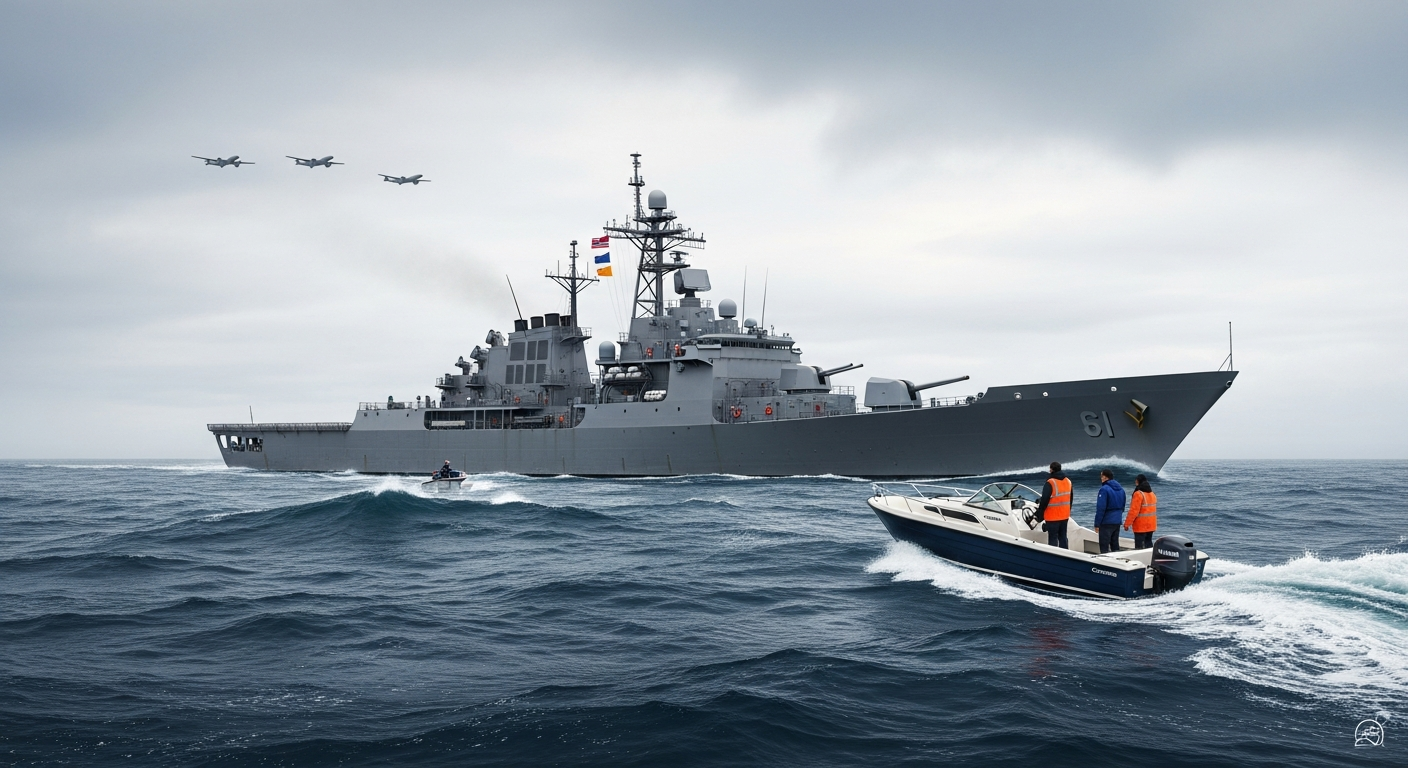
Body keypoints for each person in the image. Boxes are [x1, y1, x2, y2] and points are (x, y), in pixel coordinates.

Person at [1035, 461, 1072, 549]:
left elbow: (1044, 500)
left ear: (1051, 470)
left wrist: (1040, 514)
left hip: (1052, 516)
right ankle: (1065, 556)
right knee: (1063, 536)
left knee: (1053, 538)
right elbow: (1071, 499)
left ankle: (1054, 557)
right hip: (1064, 515)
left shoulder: (1050, 482)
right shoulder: (1068, 481)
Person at [1094, 469, 1126, 553]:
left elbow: (1101, 508)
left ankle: (1105, 564)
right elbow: (1123, 506)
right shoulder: (1121, 489)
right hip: (1117, 520)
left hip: (1106, 522)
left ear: (1105, 477)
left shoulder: (1104, 489)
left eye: (1101, 476)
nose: (1100, 478)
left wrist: (1097, 524)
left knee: (1104, 546)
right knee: (1115, 545)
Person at [1124, 473, 1158, 549]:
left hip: (1141, 526)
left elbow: (1133, 511)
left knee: (1139, 547)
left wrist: (1127, 524)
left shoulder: (1138, 494)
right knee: (1148, 545)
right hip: (1151, 525)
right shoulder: (1152, 494)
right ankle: (1149, 559)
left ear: (1138, 481)